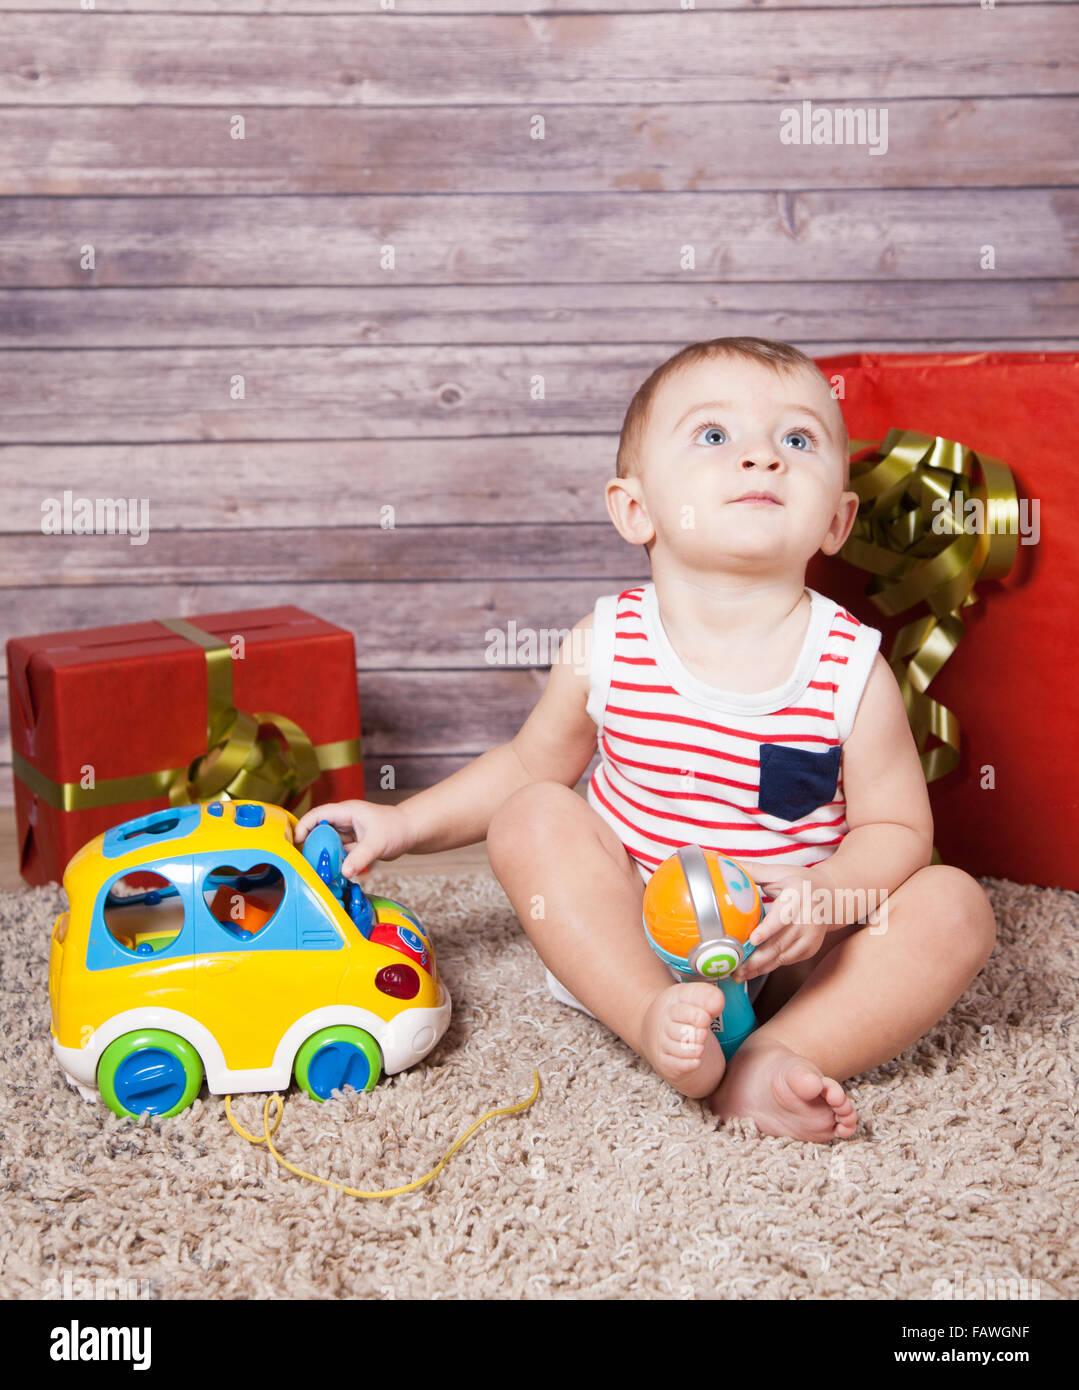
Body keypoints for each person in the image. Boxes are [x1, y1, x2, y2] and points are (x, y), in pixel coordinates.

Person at [295, 336, 996, 1141]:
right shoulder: (608, 643)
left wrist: (828, 891)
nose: (762, 460)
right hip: (630, 932)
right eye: (713, 437)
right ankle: (651, 1017)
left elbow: (899, 829)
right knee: (532, 813)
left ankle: (778, 1053)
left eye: (796, 441)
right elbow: (528, 764)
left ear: (836, 520)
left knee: (953, 908)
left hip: (792, 952)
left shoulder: (847, 668)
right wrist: (405, 823)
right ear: (636, 509)